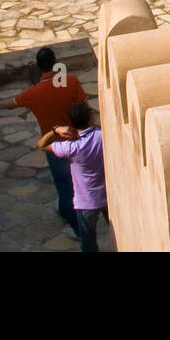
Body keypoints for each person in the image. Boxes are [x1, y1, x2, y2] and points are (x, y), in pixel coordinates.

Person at [0, 47, 87, 236]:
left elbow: (9, 103)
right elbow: (83, 105)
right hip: (77, 140)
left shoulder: (33, 93)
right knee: (79, 182)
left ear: (39, 68)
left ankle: (77, 229)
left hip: (55, 146)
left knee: (64, 188)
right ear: (55, 63)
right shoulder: (70, 82)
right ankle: (69, 213)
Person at [39, 101, 108, 252]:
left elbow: (41, 144)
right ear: (90, 119)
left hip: (85, 202)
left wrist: (55, 130)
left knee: (88, 242)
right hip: (107, 197)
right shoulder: (102, 136)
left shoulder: (71, 148)